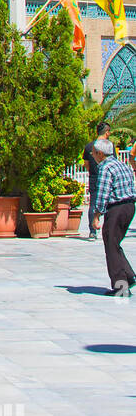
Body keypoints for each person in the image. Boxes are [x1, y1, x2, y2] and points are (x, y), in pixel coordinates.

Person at [91, 139, 135, 297]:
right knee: (114, 243)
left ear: (100, 154)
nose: (92, 155)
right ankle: (129, 276)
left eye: (94, 153)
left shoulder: (105, 167)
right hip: (130, 206)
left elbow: (102, 193)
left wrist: (96, 216)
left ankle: (121, 287)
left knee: (110, 244)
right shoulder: (121, 164)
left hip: (117, 208)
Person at [85, 121, 113, 240]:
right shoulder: (109, 146)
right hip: (107, 178)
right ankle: (108, 230)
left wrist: (92, 171)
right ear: (107, 133)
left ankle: (92, 232)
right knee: (109, 203)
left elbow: (86, 164)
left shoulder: (89, 146)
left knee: (93, 203)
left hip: (94, 177)